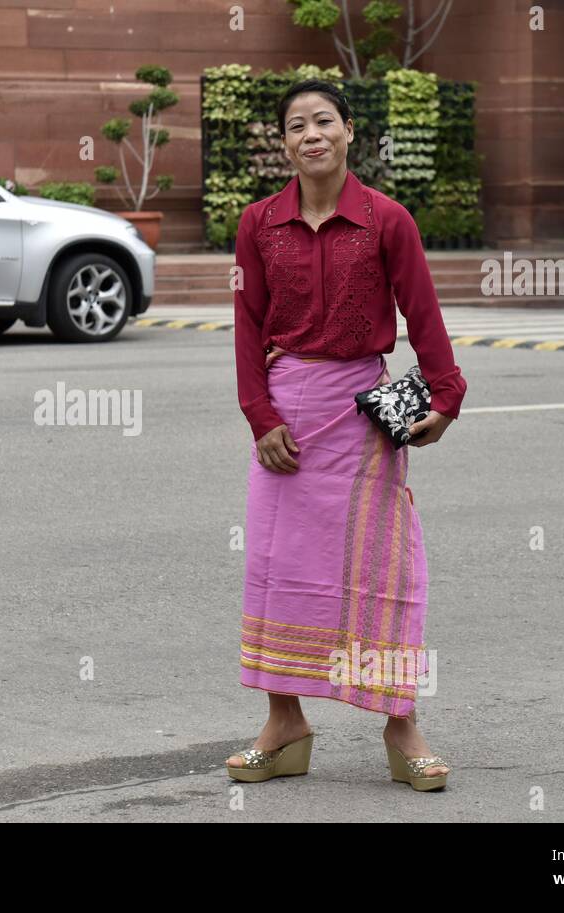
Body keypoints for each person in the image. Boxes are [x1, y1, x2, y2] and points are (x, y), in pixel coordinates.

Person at [225, 80, 467, 791]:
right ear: (284, 143)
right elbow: (246, 323)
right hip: (286, 416)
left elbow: (423, 315)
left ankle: (402, 724)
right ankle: (284, 721)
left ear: (349, 131)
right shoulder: (257, 224)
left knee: (384, 572)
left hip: (361, 413)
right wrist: (260, 416)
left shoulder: (388, 220)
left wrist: (447, 397)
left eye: (323, 121)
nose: (311, 134)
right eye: (296, 125)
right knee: (276, 567)